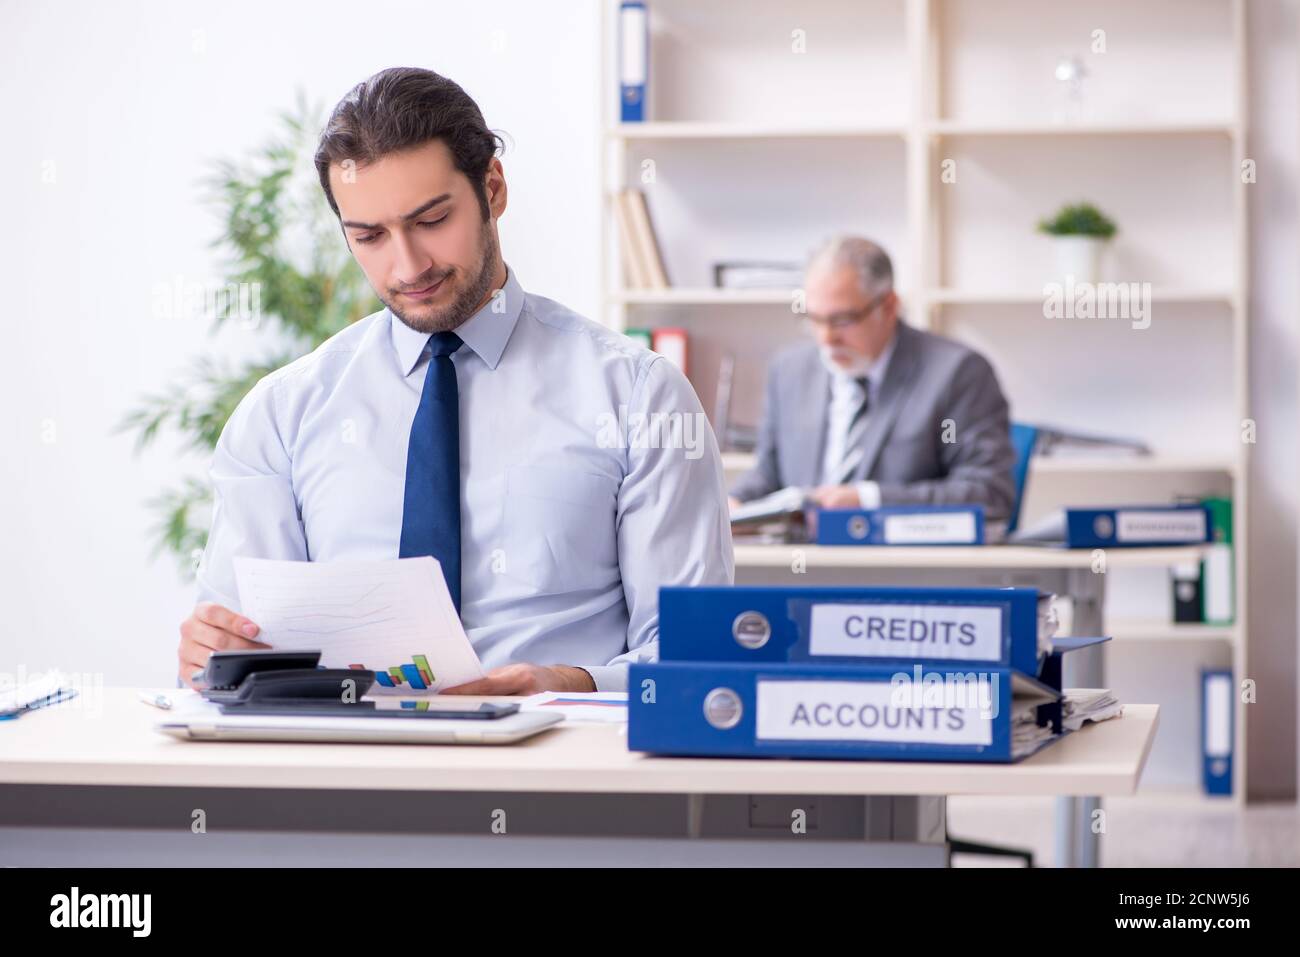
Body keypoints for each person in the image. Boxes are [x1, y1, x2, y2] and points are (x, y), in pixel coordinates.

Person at [178, 67, 733, 694]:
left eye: (432, 220)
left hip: (563, 766)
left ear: (492, 189)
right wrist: (214, 656)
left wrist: (568, 684)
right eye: (370, 236)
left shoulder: (640, 397)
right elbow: (236, 655)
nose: (408, 265)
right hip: (347, 771)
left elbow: (696, 658)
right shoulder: (281, 415)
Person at [730, 236, 1015, 519]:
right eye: (814, 319)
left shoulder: (957, 373)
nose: (827, 338)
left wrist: (868, 499)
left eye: (842, 320)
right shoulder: (789, 371)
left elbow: (988, 494)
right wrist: (734, 502)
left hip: (900, 562)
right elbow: (769, 474)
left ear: (889, 307)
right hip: (804, 556)